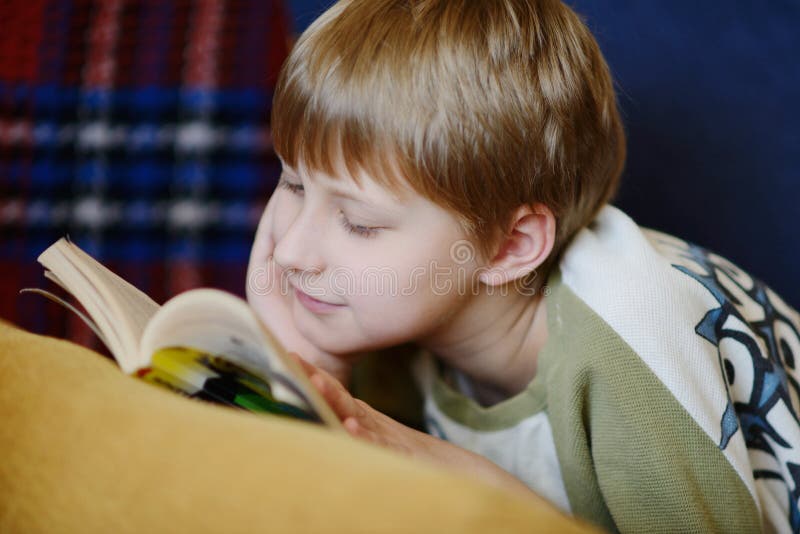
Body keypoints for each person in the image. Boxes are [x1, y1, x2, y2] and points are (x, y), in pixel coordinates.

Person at [245, 0, 800, 531]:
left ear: (510, 246)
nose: (290, 250)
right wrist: (308, 361)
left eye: (360, 223)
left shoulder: (630, 342)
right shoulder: (395, 312)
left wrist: (437, 463)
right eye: (293, 183)